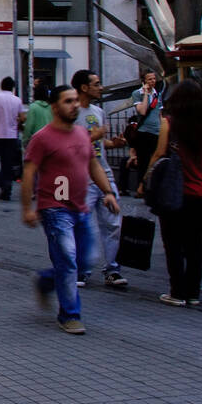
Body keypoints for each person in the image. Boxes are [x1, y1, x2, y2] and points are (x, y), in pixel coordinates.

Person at [21, 85, 121, 335]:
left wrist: (107, 192)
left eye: (76, 100)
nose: (75, 105)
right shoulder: (42, 138)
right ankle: (69, 315)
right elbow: (29, 173)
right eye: (68, 101)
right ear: (55, 107)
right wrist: (28, 209)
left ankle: (46, 280)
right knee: (67, 261)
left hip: (80, 207)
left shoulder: (81, 134)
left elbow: (93, 164)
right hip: (55, 210)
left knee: (84, 260)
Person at [146, 80, 202, 307]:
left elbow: (158, 153)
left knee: (173, 243)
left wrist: (146, 178)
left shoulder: (169, 123)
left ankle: (177, 291)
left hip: (173, 193)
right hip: (200, 192)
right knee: (195, 245)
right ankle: (193, 293)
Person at [71, 69, 129, 288]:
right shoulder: (72, 112)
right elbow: (70, 144)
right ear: (84, 88)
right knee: (83, 225)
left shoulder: (98, 111)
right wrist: (93, 136)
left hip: (102, 174)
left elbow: (99, 144)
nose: (100, 87)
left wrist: (113, 143)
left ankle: (113, 269)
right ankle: (81, 269)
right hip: (80, 177)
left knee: (113, 223)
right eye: (96, 84)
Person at [0, 76, 26, 201]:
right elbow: (22, 118)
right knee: (7, 163)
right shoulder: (17, 100)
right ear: (12, 87)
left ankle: (3, 185)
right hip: (11, 135)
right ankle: (7, 189)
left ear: (1, 85)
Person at [130, 69, 166, 195]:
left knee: (156, 160)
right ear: (144, 81)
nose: (152, 81)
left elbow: (160, 114)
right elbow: (143, 111)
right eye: (150, 79)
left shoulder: (157, 94)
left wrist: (162, 129)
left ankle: (154, 187)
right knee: (143, 162)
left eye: (154, 79)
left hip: (156, 131)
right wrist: (145, 94)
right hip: (144, 132)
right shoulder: (137, 93)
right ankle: (141, 188)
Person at [20, 80, 51, 147]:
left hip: (37, 142)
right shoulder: (51, 107)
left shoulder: (33, 107)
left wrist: (25, 142)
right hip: (50, 142)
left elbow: (29, 126)